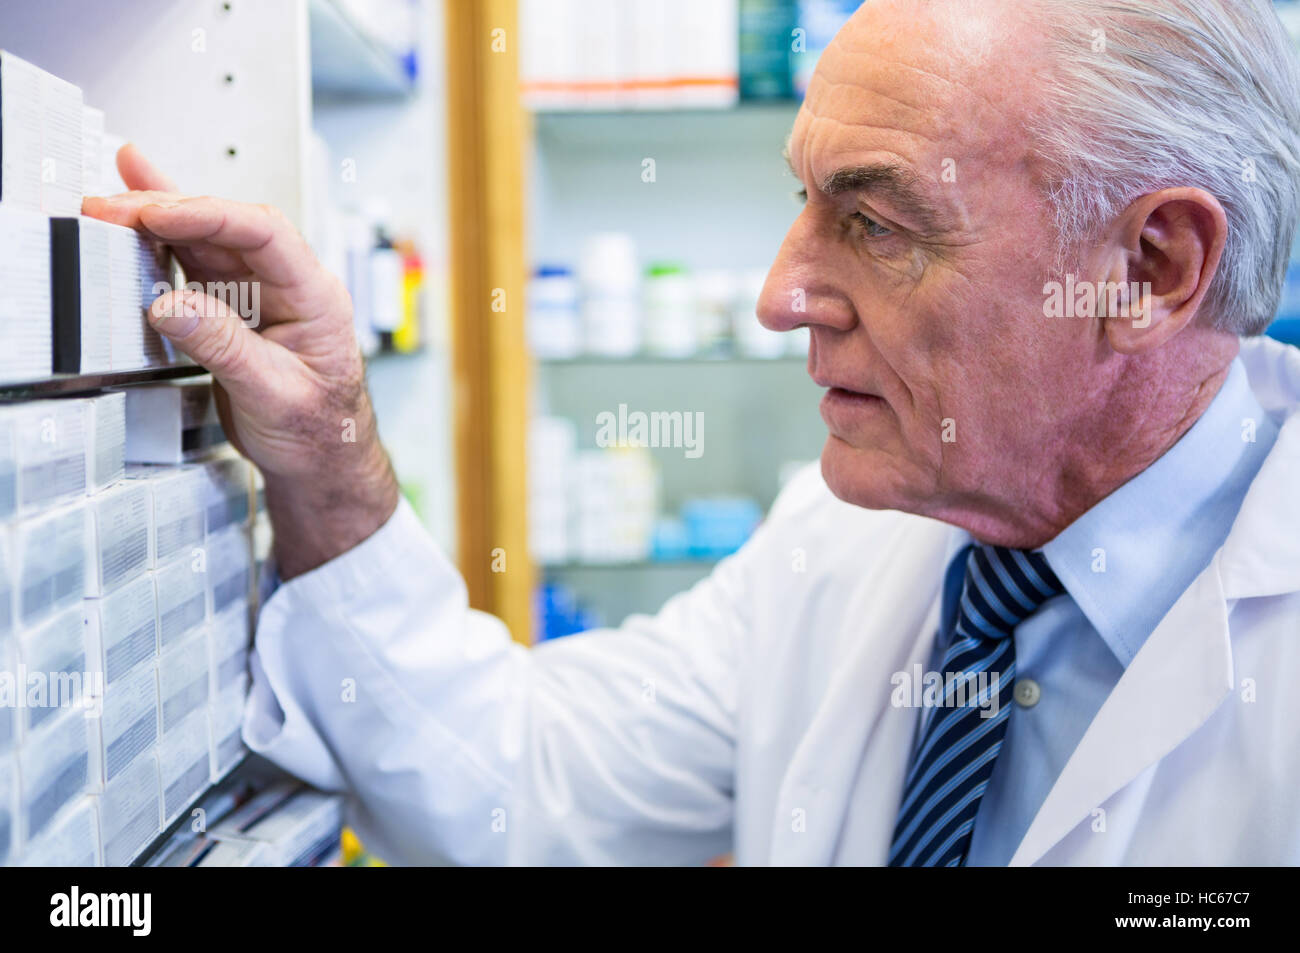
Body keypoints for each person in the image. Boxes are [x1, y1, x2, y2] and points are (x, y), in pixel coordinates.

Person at [84, 0, 1300, 865]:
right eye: (802, 200)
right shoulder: (848, 536)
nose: (779, 294)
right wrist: (335, 461)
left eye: (876, 223)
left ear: (1148, 267)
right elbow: (527, 789)